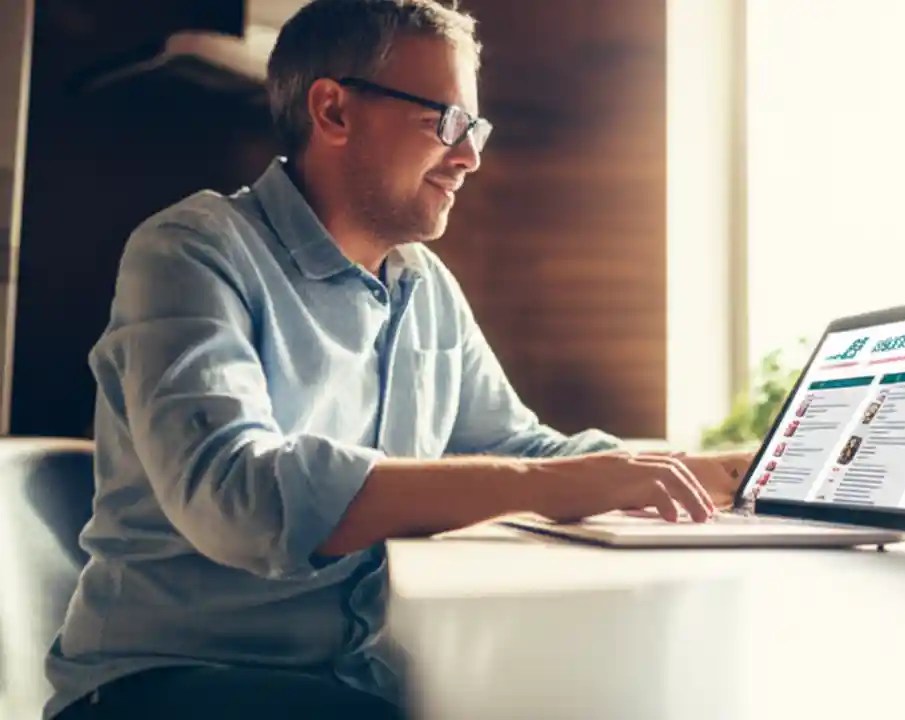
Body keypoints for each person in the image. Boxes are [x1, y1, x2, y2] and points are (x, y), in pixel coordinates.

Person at [46, 2, 750, 718]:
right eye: (446, 121)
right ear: (334, 111)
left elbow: (519, 445)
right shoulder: (191, 252)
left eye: (475, 128)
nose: (470, 155)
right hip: (157, 684)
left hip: (344, 679)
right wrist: (543, 482)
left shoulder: (423, 284)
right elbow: (237, 498)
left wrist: (719, 473)